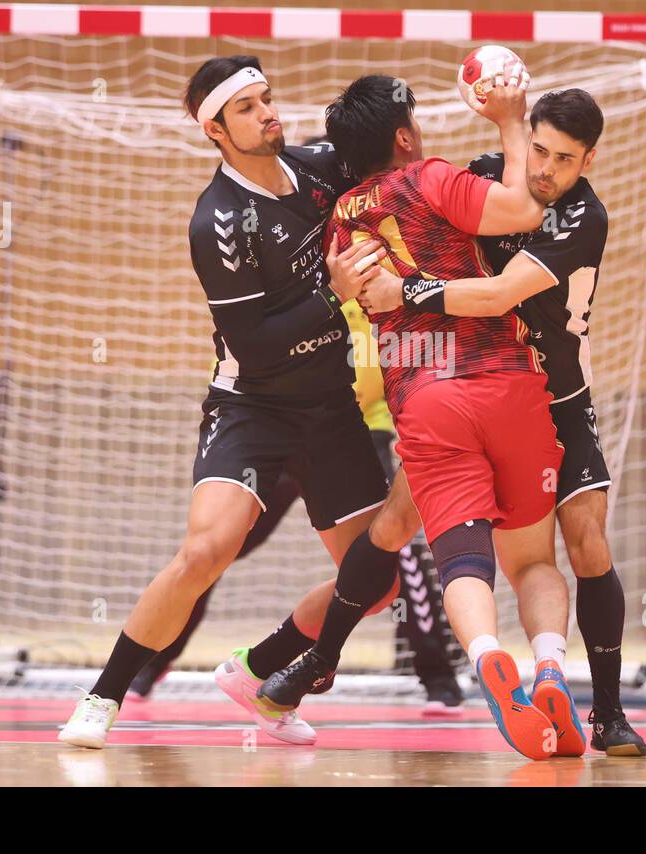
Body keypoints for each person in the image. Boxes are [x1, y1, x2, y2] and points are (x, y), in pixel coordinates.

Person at [58, 56, 415, 749]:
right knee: (205, 552)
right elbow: (254, 344)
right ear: (216, 131)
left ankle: (256, 672)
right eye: (248, 109)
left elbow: (395, 177)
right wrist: (335, 294)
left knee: (375, 583)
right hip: (252, 406)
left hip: (331, 406)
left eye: (268, 99)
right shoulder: (217, 220)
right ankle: (103, 695)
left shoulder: (318, 170)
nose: (268, 113)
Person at [258, 70, 586, 761]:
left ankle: (488, 655)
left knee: (458, 559)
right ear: (404, 136)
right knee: (531, 559)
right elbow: (525, 207)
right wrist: (510, 118)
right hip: (503, 379)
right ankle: (551, 667)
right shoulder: (430, 179)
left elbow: (329, 298)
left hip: (424, 400)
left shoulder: (340, 222)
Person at [358, 89, 646, 756]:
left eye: (563, 160)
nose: (544, 169)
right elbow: (419, 223)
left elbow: (496, 293)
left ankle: (606, 712)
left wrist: (404, 292)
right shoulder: (491, 173)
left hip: (558, 397)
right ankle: (311, 662)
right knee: (396, 520)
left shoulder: (583, 214)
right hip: (479, 388)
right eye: (537, 149)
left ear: (589, 161)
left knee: (587, 541)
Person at [127, 296, 465, 715]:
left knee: (393, 552)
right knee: (212, 549)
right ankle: (151, 662)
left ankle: (437, 677)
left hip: (360, 432)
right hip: (280, 424)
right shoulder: (295, 293)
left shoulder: (383, 295)